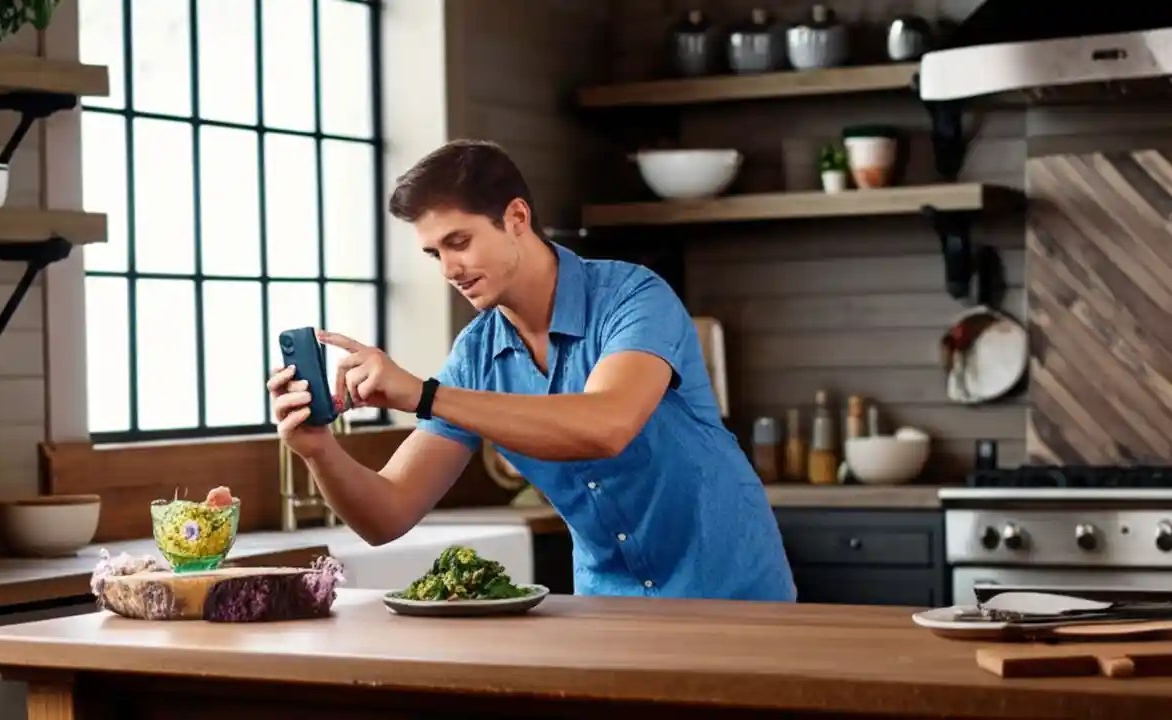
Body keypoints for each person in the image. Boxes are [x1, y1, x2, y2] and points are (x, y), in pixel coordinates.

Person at [266, 139, 795, 601]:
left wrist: (424, 395)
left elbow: (605, 425)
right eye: (434, 254)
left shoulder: (634, 297)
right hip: (609, 610)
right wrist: (319, 450)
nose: (449, 270)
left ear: (516, 218)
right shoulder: (476, 356)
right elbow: (388, 515)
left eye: (459, 241)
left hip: (734, 594)